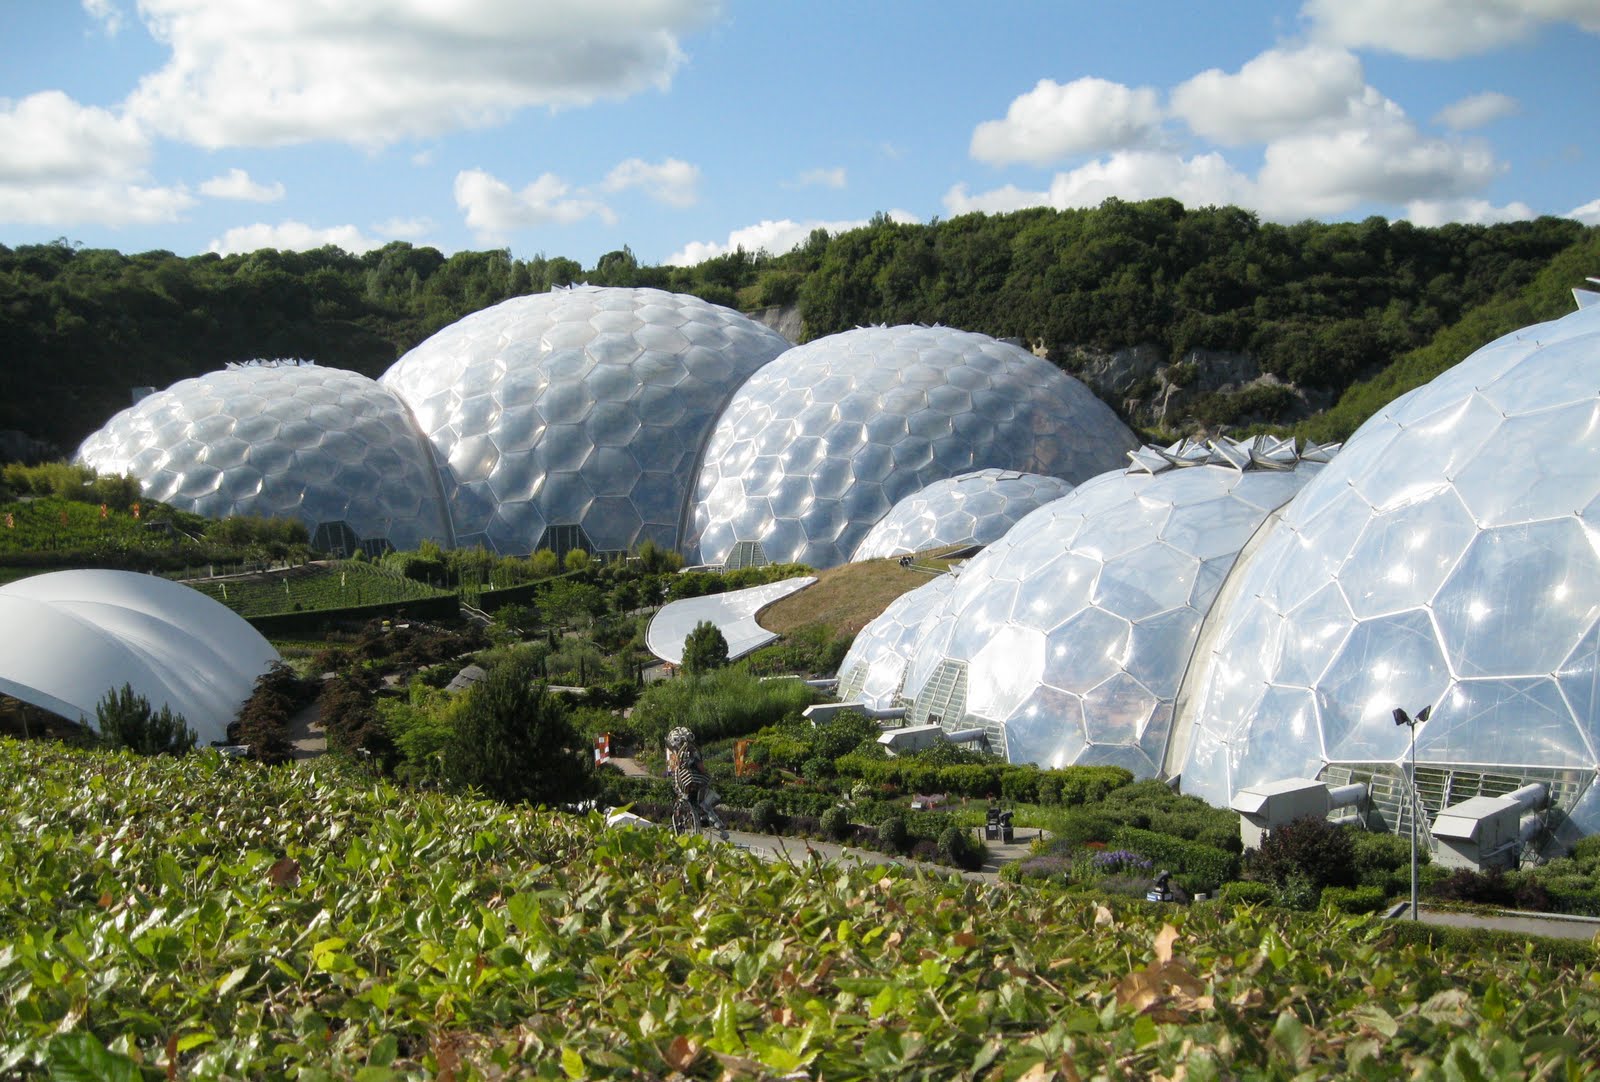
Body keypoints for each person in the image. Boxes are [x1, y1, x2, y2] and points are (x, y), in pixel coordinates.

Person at [665, 726, 726, 835]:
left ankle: (692, 819)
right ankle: (712, 822)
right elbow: (701, 767)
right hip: (692, 783)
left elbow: (680, 768)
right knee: (702, 801)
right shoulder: (691, 750)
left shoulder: (685, 752)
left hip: (687, 784)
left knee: (698, 801)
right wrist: (706, 773)